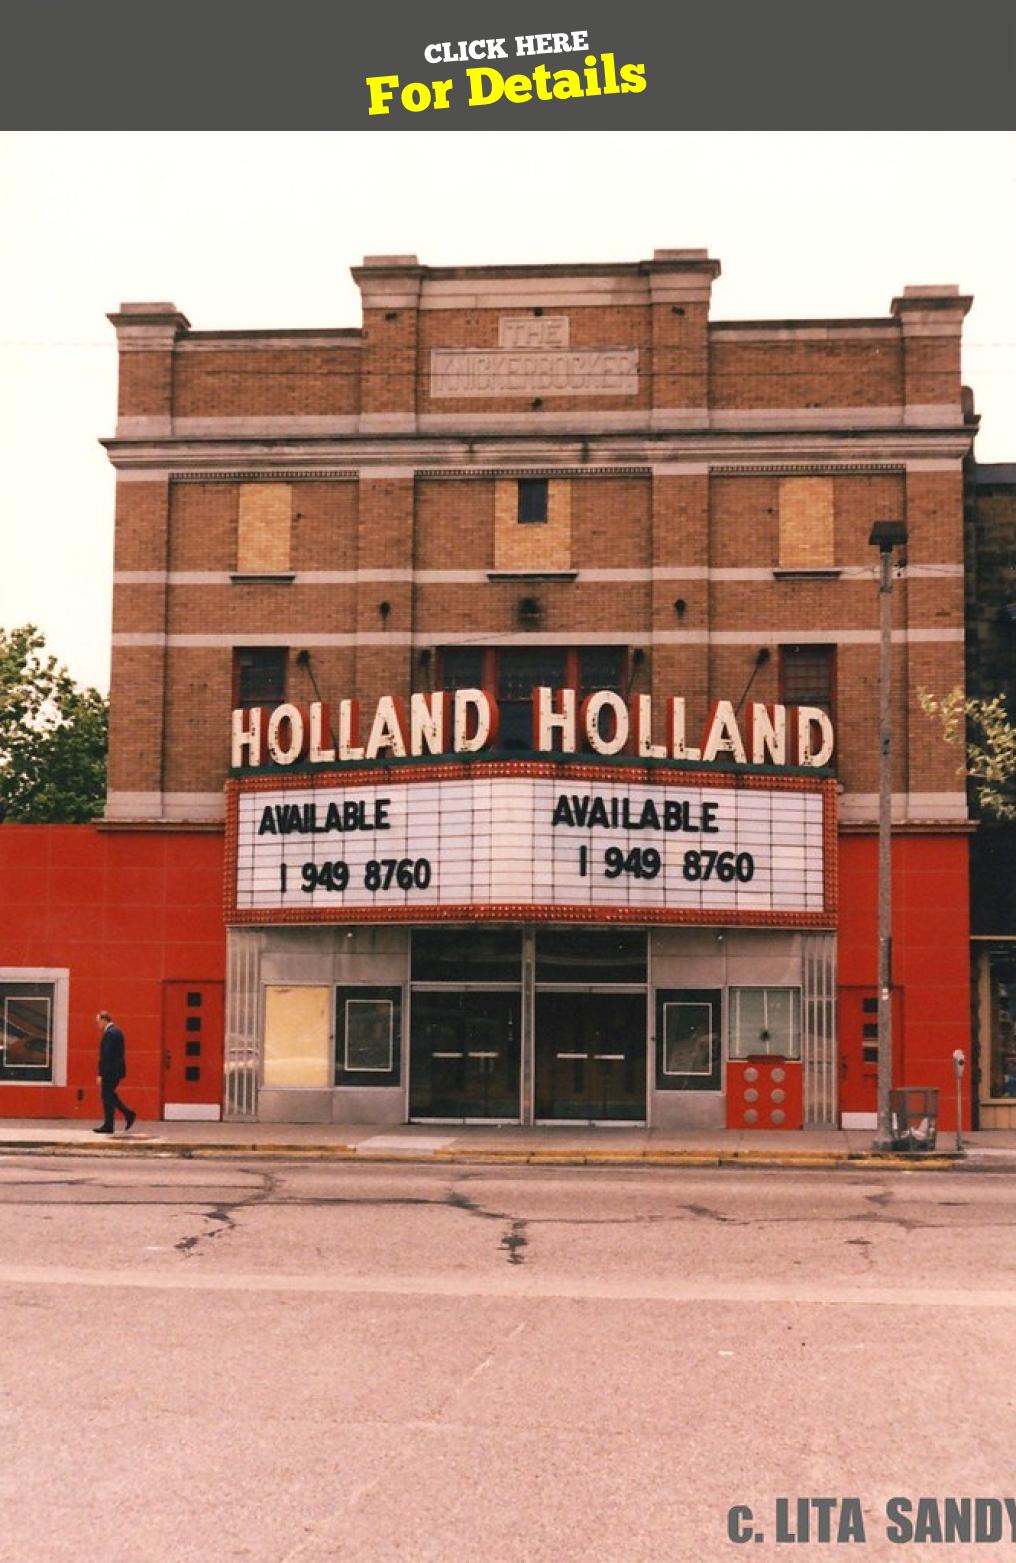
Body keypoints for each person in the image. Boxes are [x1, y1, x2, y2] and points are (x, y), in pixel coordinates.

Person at [94, 1011, 136, 1134]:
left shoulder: (110, 1034)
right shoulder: (116, 1031)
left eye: (98, 1022)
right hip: (115, 1071)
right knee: (109, 1095)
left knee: (107, 1096)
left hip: (110, 1071)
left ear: (104, 1020)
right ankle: (126, 1115)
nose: (98, 1025)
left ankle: (111, 1123)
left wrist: (101, 1073)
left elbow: (106, 1056)